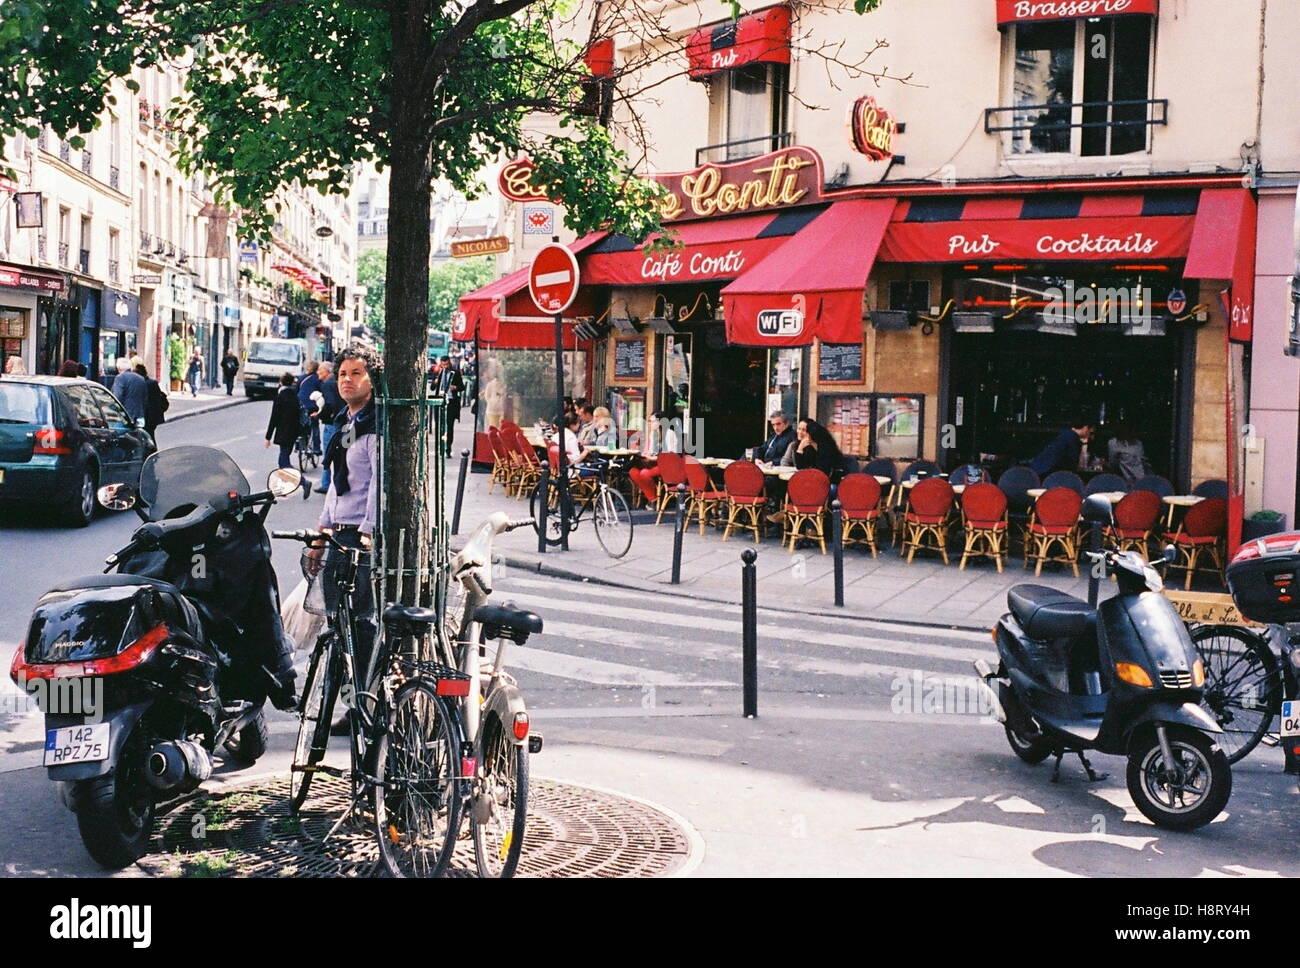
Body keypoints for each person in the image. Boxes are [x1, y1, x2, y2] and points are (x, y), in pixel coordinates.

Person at [310, 344, 381, 734]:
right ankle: (337, 706)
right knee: (337, 626)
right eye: (342, 374)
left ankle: (365, 705)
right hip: (339, 534)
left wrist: (368, 534)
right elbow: (336, 490)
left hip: (359, 538)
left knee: (361, 625)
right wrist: (322, 534)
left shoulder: (374, 428)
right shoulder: (345, 423)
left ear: (371, 380)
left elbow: (375, 487)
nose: (347, 380)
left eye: (356, 373)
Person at [628, 410, 680, 505]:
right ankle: (653, 498)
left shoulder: (670, 434)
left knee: (644, 473)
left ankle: (653, 501)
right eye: (649, 421)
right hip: (654, 463)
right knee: (633, 472)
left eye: (652, 421)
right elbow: (652, 452)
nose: (650, 423)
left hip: (667, 465)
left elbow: (670, 455)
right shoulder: (653, 434)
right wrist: (645, 455)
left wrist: (653, 458)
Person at [312, 360, 342, 493]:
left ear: (328, 371)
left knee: (328, 453)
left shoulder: (327, 385)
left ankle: (326, 484)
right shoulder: (336, 381)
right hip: (342, 422)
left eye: (320, 370)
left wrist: (320, 414)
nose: (318, 372)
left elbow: (330, 404)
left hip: (331, 423)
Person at [264, 372, 303, 469]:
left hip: (283, 431)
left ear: (281, 382)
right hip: (294, 431)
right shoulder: (295, 396)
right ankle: (286, 481)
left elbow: (274, 418)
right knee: (285, 457)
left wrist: (268, 437)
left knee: (283, 462)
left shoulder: (280, 397)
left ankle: (302, 482)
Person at [436, 355, 464, 457]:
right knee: (440, 427)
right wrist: (435, 381)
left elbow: (462, 387)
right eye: (443, 365)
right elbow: (433, 387)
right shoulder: (439, 373)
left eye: (447, 364)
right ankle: (441, 447)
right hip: (440, 402)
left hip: (451, 402)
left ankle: (448, 449)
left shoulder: (455, 373)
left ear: (450, 363)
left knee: (449, 427)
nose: (445, 367)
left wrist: (455, 387)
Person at [110, 356, 148, 424]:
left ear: (118, 368)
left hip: (125, 417)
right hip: (139, 416)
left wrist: (111, 409)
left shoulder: (120, 378)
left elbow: (117, 397)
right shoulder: (141, 379)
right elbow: (145, 398)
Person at [137, 362, 168, 443]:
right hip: (154, 416)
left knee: (146, 435)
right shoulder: (153, 383)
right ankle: (153, 451)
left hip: (147, 415)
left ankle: (151, 452)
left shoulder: (142, 384)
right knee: (151, 434)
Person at [297, 359, 322, 455]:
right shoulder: (318, 379)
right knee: (315, 426)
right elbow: (321, 393)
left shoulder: (301, 378)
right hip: (313, 406)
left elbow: (297, 390)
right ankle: (316, 448)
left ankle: (300, 445)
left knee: (302, 424)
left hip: (302, 405)